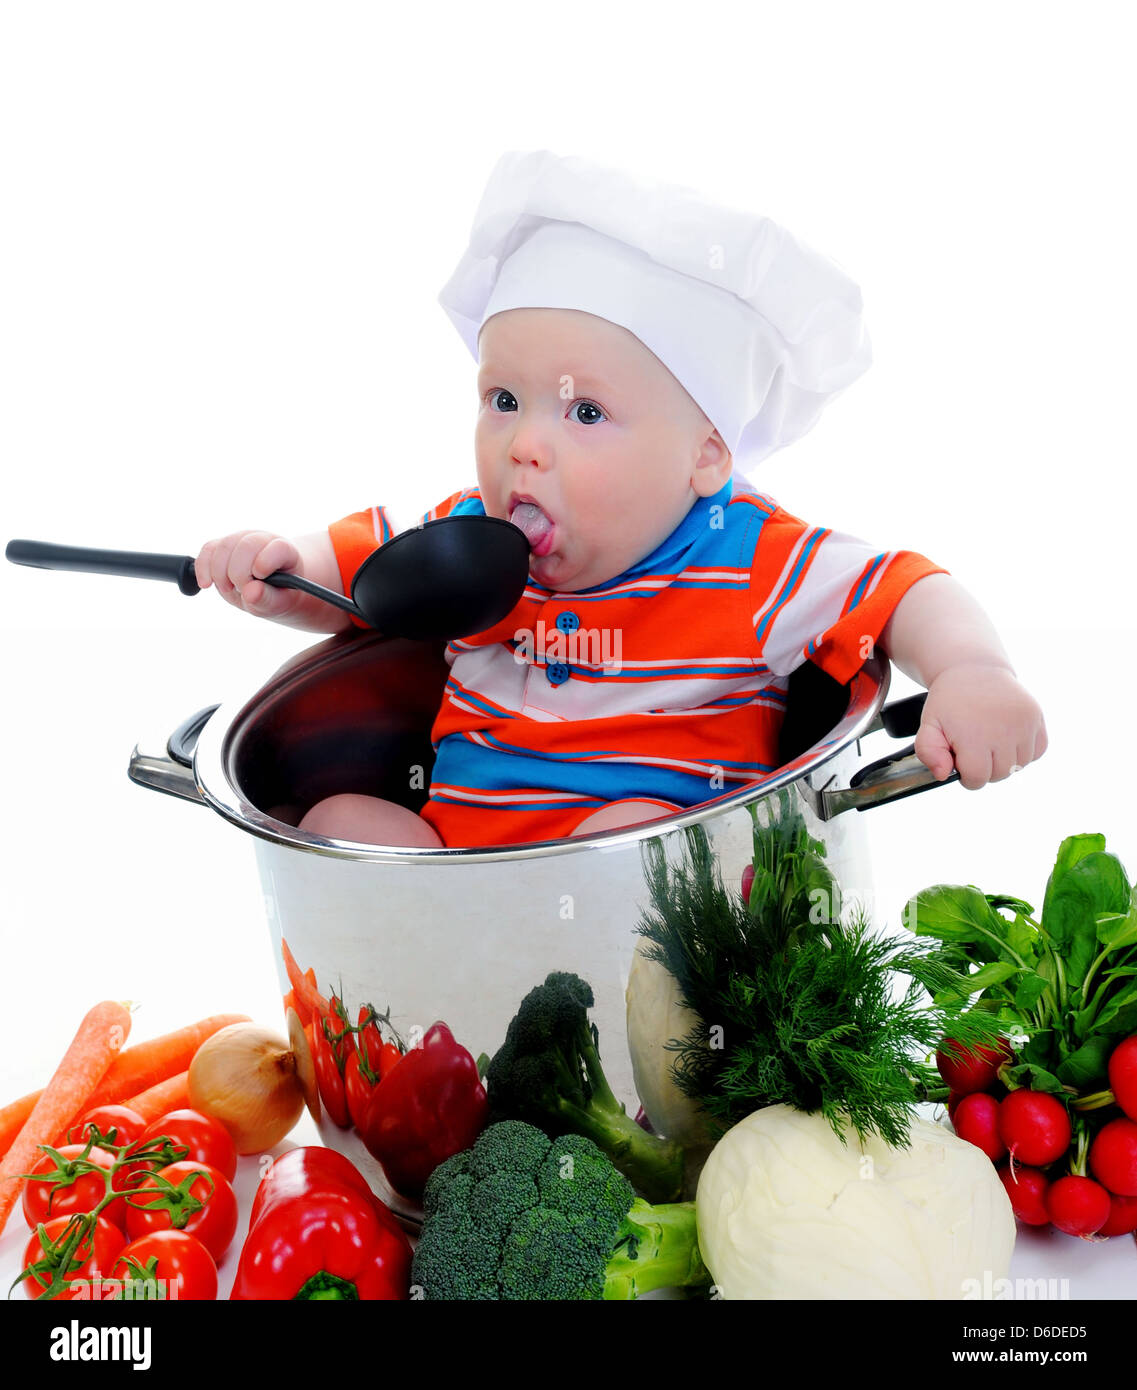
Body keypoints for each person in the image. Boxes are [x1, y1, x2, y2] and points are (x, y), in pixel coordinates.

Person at [195, 151, 1046, 849]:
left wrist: (972, 674)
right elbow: (345, 582)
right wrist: (276, 569)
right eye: (503, 401)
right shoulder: (467, 540)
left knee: (639, 831)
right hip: (456, 880)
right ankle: (427, 1011)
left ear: (706, 453)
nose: (525, 443)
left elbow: (906, 590)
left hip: (641, 908)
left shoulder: (751, 558)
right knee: (337, 822)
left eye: (586, 411)